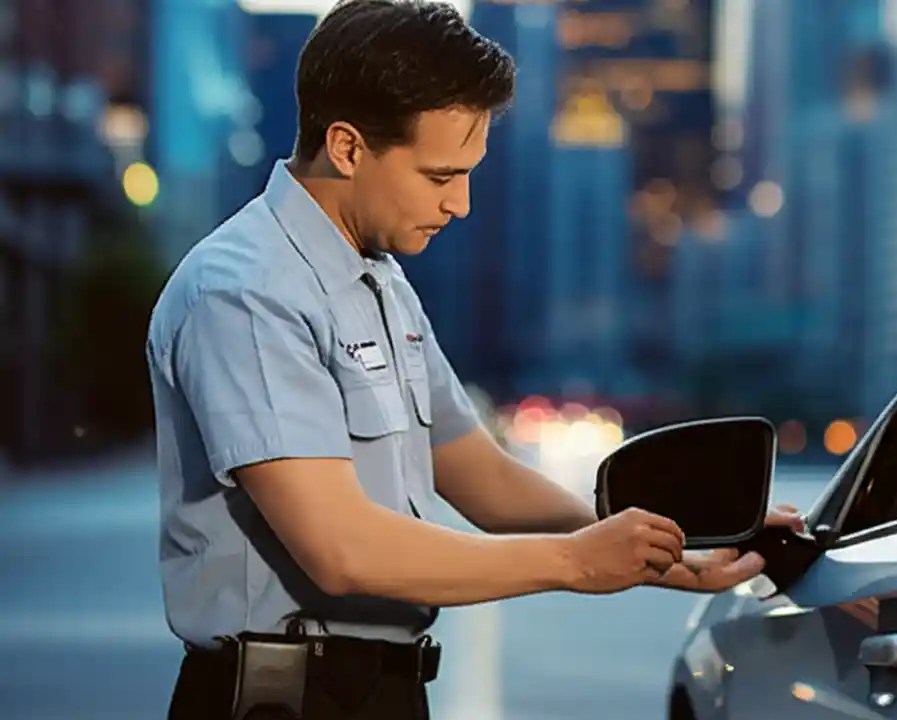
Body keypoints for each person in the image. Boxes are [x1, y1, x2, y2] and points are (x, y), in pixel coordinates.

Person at [144, 2, 804, 718]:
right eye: (439, 176)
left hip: (384, 692)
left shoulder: (381, 284)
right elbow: (340, 549)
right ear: (347, 147)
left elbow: (485, 479)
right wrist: (576, 563)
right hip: (279, 700)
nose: (460, 204)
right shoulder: (246, 293)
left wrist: (672, 546)